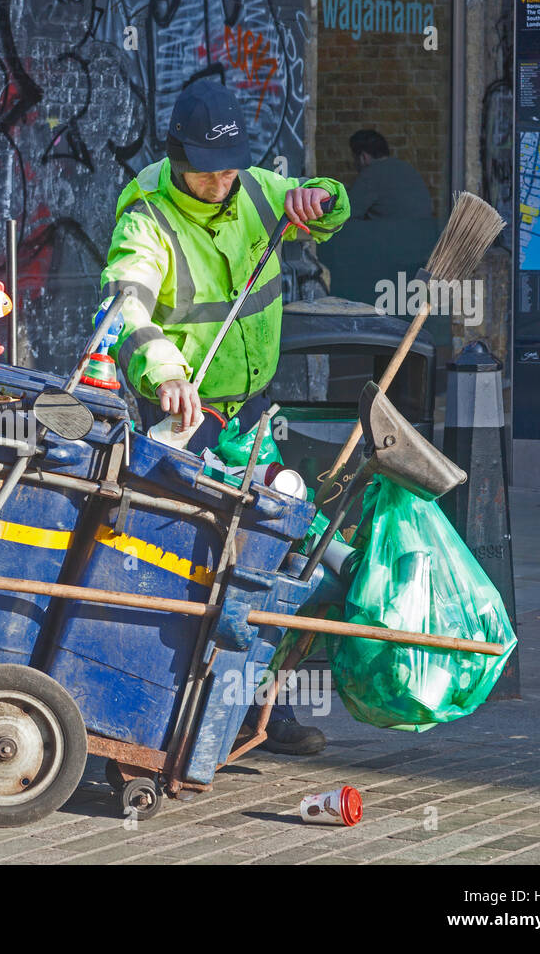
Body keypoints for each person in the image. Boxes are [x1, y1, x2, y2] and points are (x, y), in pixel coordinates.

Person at [96, 80, 351, 756]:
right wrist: (165, 374)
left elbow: (327, 205)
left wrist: (320, 200)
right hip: (185, 417)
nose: (224, 179)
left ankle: (263, 705)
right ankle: (185, 698)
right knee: (199, 559)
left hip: (255, 414)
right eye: (211, 169)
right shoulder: (147, 215)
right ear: (178, 157)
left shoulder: (259, 189)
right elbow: (126, 308)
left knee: (286, 547)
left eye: (234, 163)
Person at [346, 129, 433, 220]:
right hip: (423, 231)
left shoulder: (370, 173)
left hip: (394, 233)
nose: (354, 163)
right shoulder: (406, 168)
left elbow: (346, 215)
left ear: (363, 157)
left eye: (354, 158)